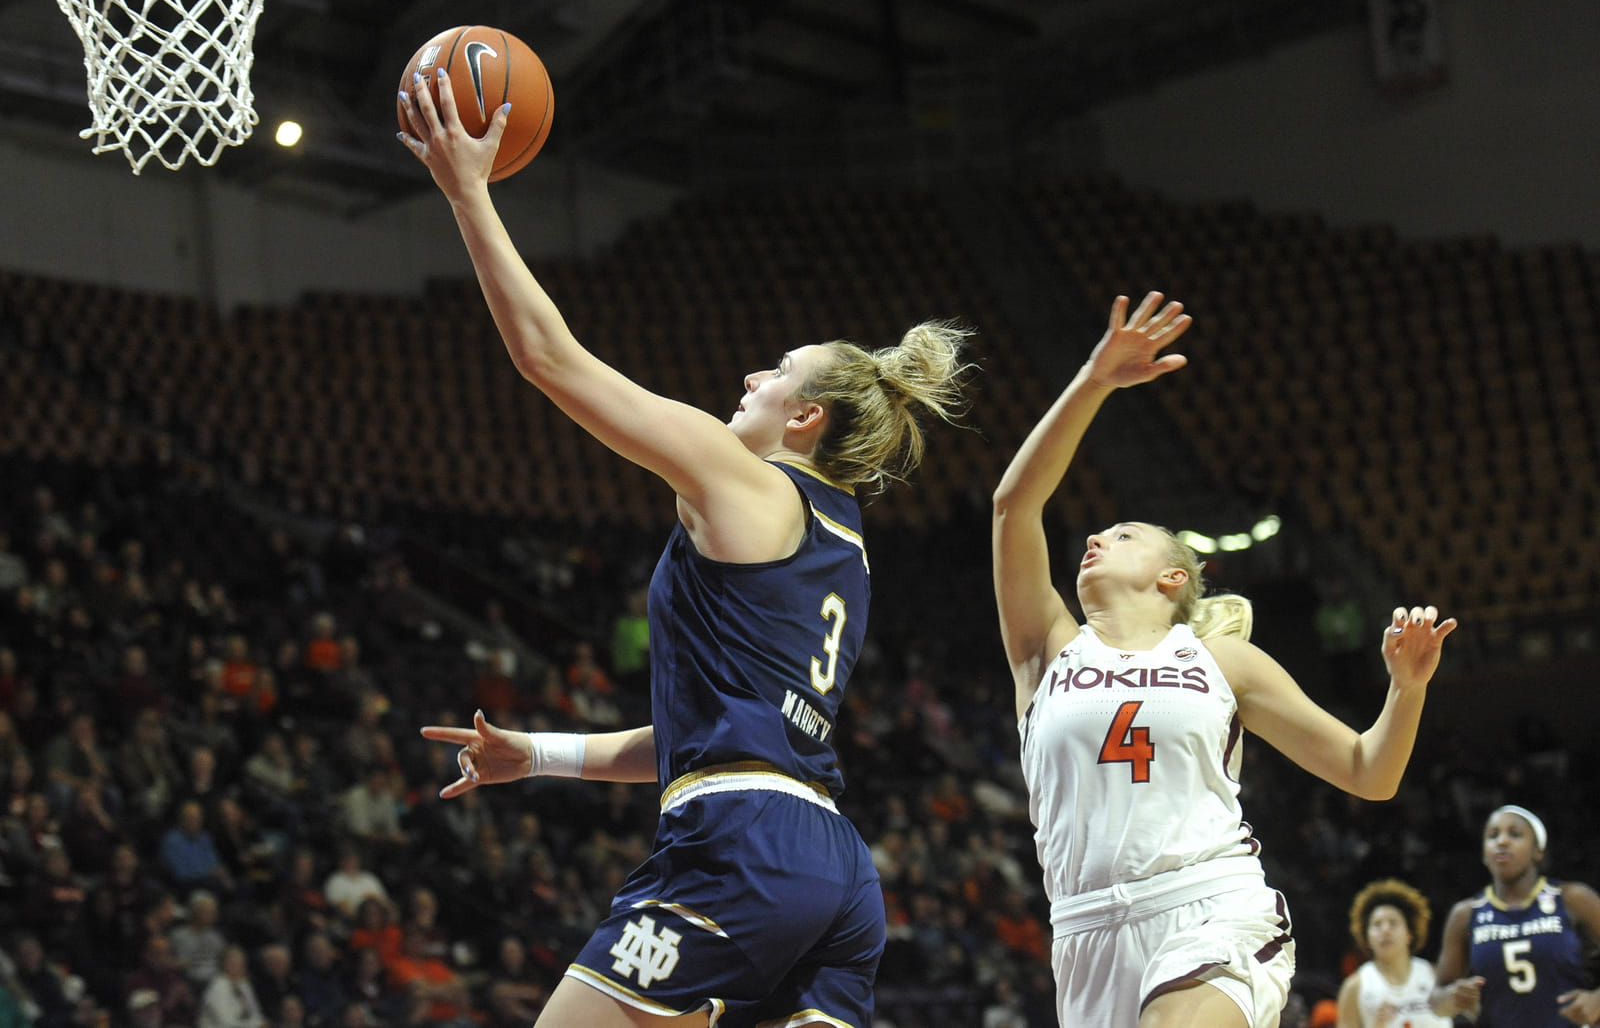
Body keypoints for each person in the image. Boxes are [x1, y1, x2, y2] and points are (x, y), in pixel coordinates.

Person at [401, 66, 970, 1028]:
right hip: (832, 868)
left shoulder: (744, 479)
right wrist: (533, 754)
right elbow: (706, 737)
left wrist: (467, 193)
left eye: (778, 370)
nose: (753, 374)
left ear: (807, 418)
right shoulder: (847, 545)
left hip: (741, 849)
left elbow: (550, 359)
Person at [989, 291, 1457, 1028]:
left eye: (1124, 535)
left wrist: (1407, 689)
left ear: (1173, 576)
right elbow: (1016, 505)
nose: (1097, 539)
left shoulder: (1222, 661)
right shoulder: (1046, 648)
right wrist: (1094, 379)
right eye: (1098, 533)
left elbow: (1371, 771)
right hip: (1085, 933)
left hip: (1208, 906)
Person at [1430, 804, 1600, 1026]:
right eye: (1493, 836)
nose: (1502, 841)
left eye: (1515, 834)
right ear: (1483, 854)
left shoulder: (1574, 898)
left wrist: (1597, 999)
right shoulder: (1465, 914)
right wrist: (1452, 998)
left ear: (1537, 850)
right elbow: (1436, 1000)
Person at [1335, 878, 1450, 1027]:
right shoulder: (1355, 987)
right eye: (1377, 924)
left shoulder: (1434, 975)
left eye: (1393, 923)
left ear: (1410, 934)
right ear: (1367, 938)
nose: (1385, 930)